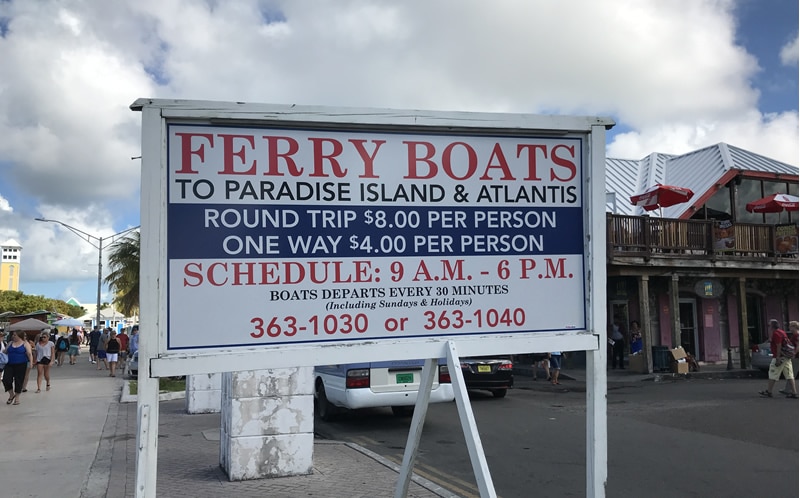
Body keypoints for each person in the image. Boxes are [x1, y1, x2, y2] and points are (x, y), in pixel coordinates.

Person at [759, 319, 798, 399]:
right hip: (786, 357)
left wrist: (778, 357)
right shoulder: (782, 332)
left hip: (780, 356)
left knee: (773, 373)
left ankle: (769, 391)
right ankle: (794, 392)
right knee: (789, 374)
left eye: (769, 325)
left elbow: (778, 345)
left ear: (772, 326)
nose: (768, 327)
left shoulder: (776, 333)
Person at [3, 331, 33, 405]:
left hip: (21, 364)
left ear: (20, 336)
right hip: (9, 364)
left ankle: (17, 398)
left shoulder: (25, 343)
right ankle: (11, 394)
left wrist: (31, 363)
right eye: (13, 335)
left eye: (15, 335)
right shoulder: (10, 343)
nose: (13, 336)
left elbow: (29, 354)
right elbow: (5, 351)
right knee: (6, 379)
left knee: (18, 381)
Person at [779, 321, 799, 395]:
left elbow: (798, 345)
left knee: (792, 372)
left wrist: (794, 353)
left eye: (790, 326)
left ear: (794, 327)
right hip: (796, 356)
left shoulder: (796, 335)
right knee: (791, 372)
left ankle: (789, 390)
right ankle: (788, 389)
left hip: (796, 357)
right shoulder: (795, 335)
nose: (789, 328)